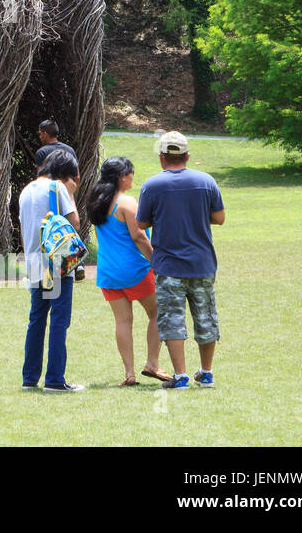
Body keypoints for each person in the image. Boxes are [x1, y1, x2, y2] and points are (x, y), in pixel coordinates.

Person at [135, 131, 225, 390]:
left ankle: (181, 375)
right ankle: (206, 373)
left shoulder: (152, 186)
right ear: (187, 156)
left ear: (162, 158)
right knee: (205, 317)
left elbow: (142, 223)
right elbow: (219, 218)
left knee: (172, 319)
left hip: (169, 266)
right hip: (203, 264)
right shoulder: (206, 182)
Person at [86, 156, 170, 385]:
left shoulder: (97, 201)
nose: (133, 176)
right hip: (135, 270)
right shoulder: (126, 203)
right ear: (123, 177)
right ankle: (152, 363)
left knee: (123, 321)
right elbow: (139, 236)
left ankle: (129, 374)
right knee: (158, 313)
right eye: (131, 173)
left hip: (108, 272)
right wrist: (156, 260)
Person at [18, 148, 83, 392]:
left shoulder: (26, 191)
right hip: (57, 265)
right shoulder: (57, 189)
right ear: (65, 175)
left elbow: (25, 230)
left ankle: (29, 377)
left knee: (36, 320)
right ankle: (55, 379)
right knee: (59, 320)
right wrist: (72, 194)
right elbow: (74, 222)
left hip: (35, 263)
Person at [34, 119, 84, 281]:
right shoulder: (69, 150)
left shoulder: (42, 152)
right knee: (69, 226)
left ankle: (51, 264)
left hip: (50, 196)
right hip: (67, 192)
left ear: (46, 134)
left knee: (51, 230)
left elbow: (40, 177)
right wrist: (71, 190)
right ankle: (77, 263)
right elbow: (76, 175)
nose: (39, 136)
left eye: (40, 133)